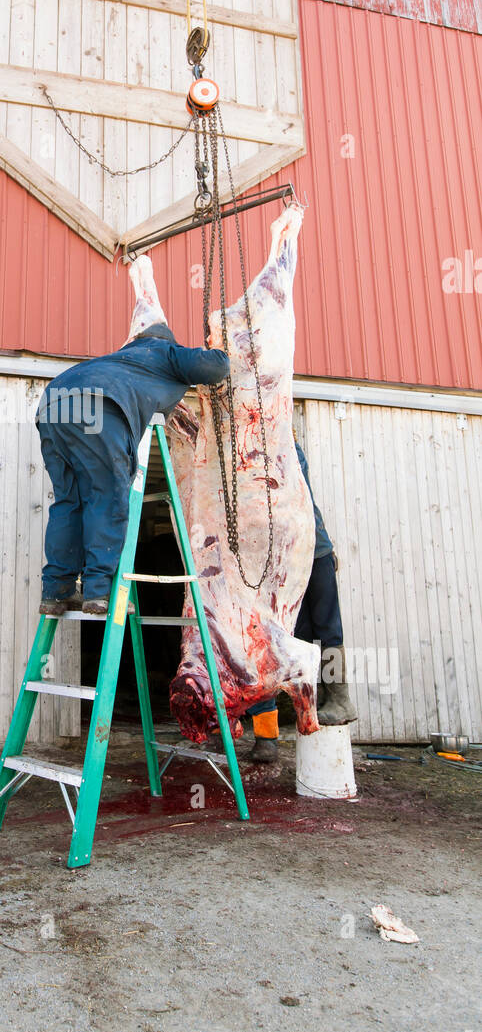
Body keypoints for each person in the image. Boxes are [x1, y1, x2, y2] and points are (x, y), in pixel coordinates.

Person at [36, 323, 229, 616]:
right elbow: (215, 367)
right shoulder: (166, 353)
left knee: (68, 501)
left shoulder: (119, 360)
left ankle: (56, 590)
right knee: (107, 496)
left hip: (51, 404)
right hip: (99, 407)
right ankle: (98, 590)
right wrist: (225, 348)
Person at [247, 438, 357, 762]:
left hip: (312, 551)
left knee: (326, 631)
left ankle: (339, 699)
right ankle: (291, 717)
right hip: (283, 559)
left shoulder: (285, 448)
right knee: (292, 637)